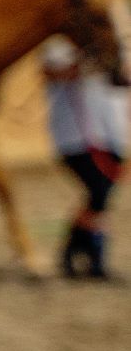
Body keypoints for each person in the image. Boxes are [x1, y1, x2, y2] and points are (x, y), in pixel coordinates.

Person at [43, 36, 125, 279]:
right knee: (98, 192)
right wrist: (88, 61)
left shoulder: (114, 42)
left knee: (101, 196)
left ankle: (82, 252)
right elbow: (51, 72)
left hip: (112, 131)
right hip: (76, 135)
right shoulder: (58, 43)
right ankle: (84, 254)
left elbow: (121, 78)